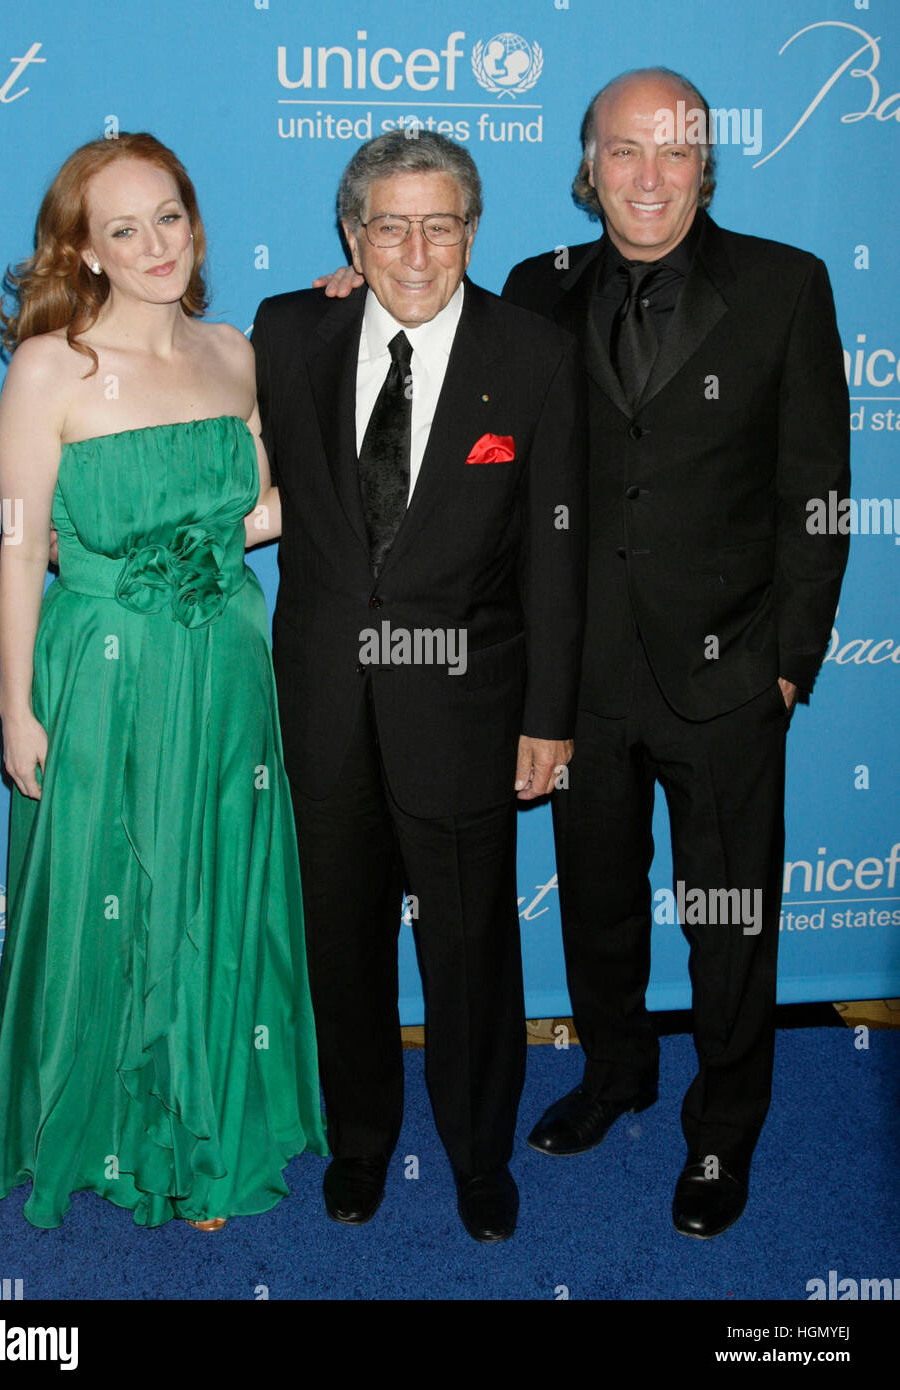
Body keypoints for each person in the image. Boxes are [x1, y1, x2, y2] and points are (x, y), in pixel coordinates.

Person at [501, 68, 850, 1237]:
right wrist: (343, 298)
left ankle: (723, 1127)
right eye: (622, 152)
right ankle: (614, 1074)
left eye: (675, 151)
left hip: (730, 672)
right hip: (581, 679)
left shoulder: (785, 287)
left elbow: (817, 491)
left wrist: (789, 661)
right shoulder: (532, 290)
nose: (648, 177)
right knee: (597, 903)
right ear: (585, 165)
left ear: (707, 163)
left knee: (728, 916)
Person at [0, 132, 326, 1230]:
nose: (155, 242)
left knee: (209, 892)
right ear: (85, 249)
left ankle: (201, 1131)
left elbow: (262, 509)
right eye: (124, 227)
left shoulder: (233, 352)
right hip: (104, 671)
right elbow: (23, 548)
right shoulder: (50, 366)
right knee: (112, 893)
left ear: (196, 221)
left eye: (169, 215)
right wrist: (14, 703)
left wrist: (335, 312)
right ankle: (110, 1129)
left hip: (222, 669)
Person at [252, 130, 583, 1242]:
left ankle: (481, 1156)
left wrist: (548, 717)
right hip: (326, 703)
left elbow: (554, 551)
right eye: (388, 224)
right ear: (352, 235)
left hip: (465, 707)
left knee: (472, 948)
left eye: (439, 223)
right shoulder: (287, 328)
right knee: (341, 940)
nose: (414, 248)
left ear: (471, 232)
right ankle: (358, 1141)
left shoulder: (533, 353)